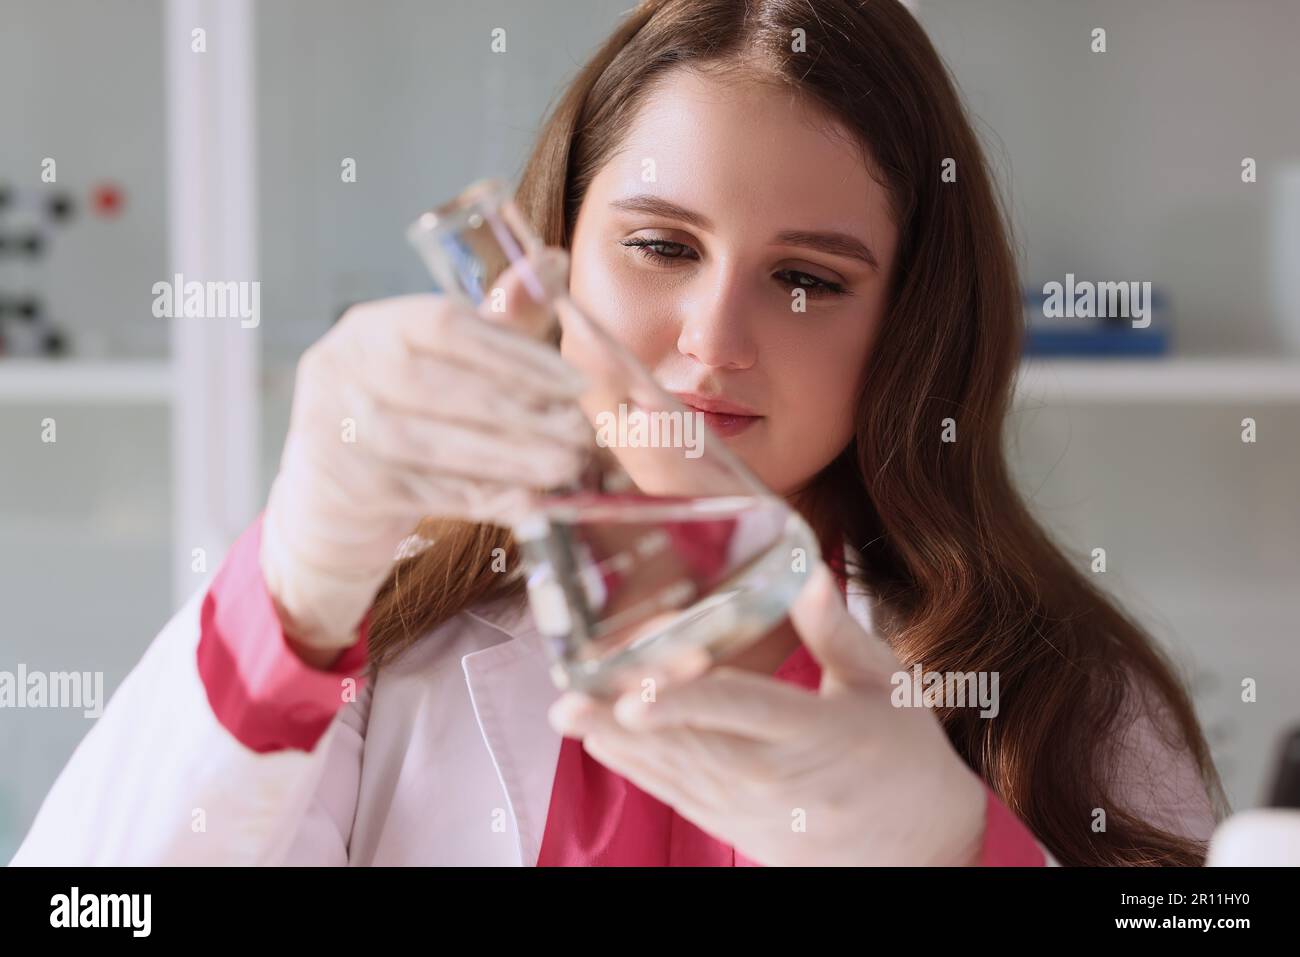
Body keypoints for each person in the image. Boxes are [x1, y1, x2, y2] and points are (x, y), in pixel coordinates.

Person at [12, 0, 1225, 867]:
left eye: (805, 278)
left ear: (908, 322)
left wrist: (954, 855)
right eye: (659, 247)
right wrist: (295, 589)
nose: (713, 339)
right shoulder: (372, 644)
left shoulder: (1071, 695)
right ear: (552, 259)